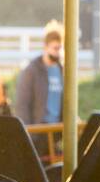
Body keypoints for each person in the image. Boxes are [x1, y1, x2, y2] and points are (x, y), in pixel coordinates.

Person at [14, 23, 64, 156]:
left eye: (60, 48)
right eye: (55, 48)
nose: (58, 52)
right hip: (38, 131)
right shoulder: (32, 71)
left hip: (56, 132)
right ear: (45, 47)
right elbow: (22, 104)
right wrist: (28, 134)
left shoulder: (62, 70)